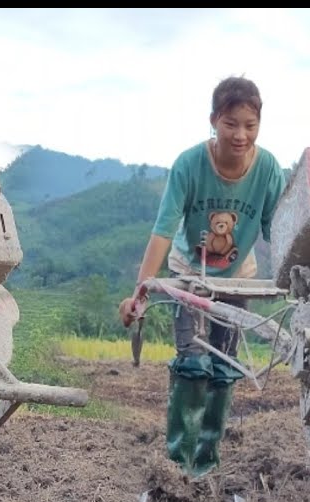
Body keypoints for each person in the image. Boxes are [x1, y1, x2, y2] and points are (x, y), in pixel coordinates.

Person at [123, 76, 286, 477]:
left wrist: (297, 274)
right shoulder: (190, 164)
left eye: (250, 125)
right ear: (214, 120)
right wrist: (140, 291)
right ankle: (179, 464)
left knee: (224, 368)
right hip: (189, 278)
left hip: (237, 282)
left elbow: (276, 230)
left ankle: (207, 465)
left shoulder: (267, 170)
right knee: (194, 363)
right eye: (231, 123)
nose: (240, 134)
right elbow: (163, 229)